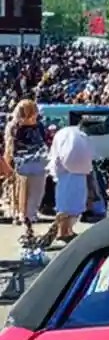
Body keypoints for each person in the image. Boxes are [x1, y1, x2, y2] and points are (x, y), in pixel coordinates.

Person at [42, 116, 94, 248]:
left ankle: (66, 231)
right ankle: (63, 232)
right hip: (71, 173)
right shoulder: (78, 135)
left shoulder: (71, 134)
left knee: (70, 204)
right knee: (69, 204)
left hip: (68, 173)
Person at [5, 100, 48, 241]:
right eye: (32, 112)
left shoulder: (39, 126)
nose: (35, 115)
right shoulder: (14, 127)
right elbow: (9, 149)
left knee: (36, 196)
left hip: (40, 166)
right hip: (22, 167)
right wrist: (8, 168)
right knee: (23, 197)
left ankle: (29, 220)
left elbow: (44, 143)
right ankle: (27, 223)